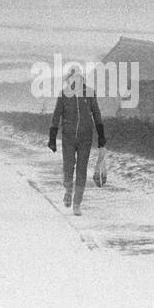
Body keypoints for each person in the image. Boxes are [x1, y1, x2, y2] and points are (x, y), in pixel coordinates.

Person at [47, 64, 105, 216]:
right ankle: (68, 189)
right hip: (68, 137)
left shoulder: (90, 93)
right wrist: (52, 137)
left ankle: (77, 203)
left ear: (81, 78)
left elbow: (97, 114)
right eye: (72, 79)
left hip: (86, 137)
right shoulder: (64, 94)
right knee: (68, 166)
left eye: (78, 78)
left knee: (81, 169)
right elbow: (56, 115)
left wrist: (101, 136)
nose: (75, 82)